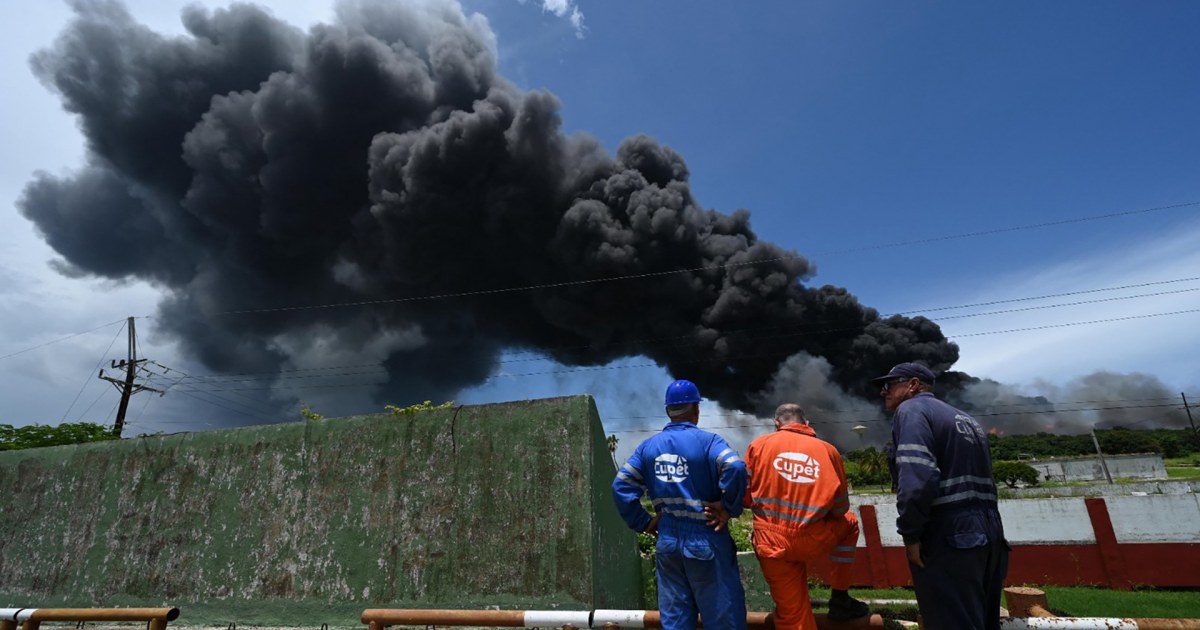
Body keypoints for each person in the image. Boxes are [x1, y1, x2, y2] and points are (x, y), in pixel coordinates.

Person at [871, 362, 1009, 630]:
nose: (883, 392)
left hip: (950, 536)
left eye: (889, 384)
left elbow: (918, 480)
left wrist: (910, 534)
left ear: (912, 385)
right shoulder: (968, 420)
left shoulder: (911, 410)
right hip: (991, 537)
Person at [612, 379, 748, 630]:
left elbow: (621, 485)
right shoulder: (710, 442)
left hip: (668, 540)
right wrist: (729, 508)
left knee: (675, 620)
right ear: (696, 409)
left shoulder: (647, 448)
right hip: (705, 537)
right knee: (723, 617)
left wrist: (643, 521)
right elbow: (735, 466)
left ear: (667, 411)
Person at [737, 403, 869, 630]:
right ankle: (839, 596)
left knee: (793, 618)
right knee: (850, 522)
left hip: (772, 545)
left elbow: (745, 499)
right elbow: (840, 508)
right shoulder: (829, 451)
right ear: (806, 424)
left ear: (776, 424)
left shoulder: (757, 446)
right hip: (814, 538)